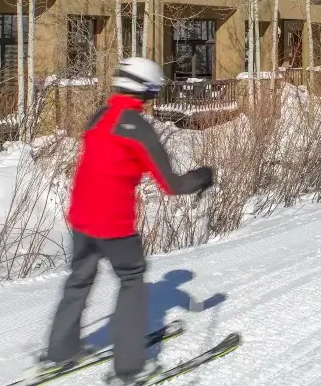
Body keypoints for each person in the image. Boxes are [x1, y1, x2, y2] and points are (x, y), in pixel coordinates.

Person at [31, 57, 214, 386]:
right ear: (148, 90)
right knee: (132, 282)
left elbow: (105, 159)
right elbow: (171, 184)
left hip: (81, 218)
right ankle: (130, 369)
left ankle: (59, 353)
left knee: (79, 280)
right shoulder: (139, 128)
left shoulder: (99, 117)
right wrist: (202, 177)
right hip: (114, 223)